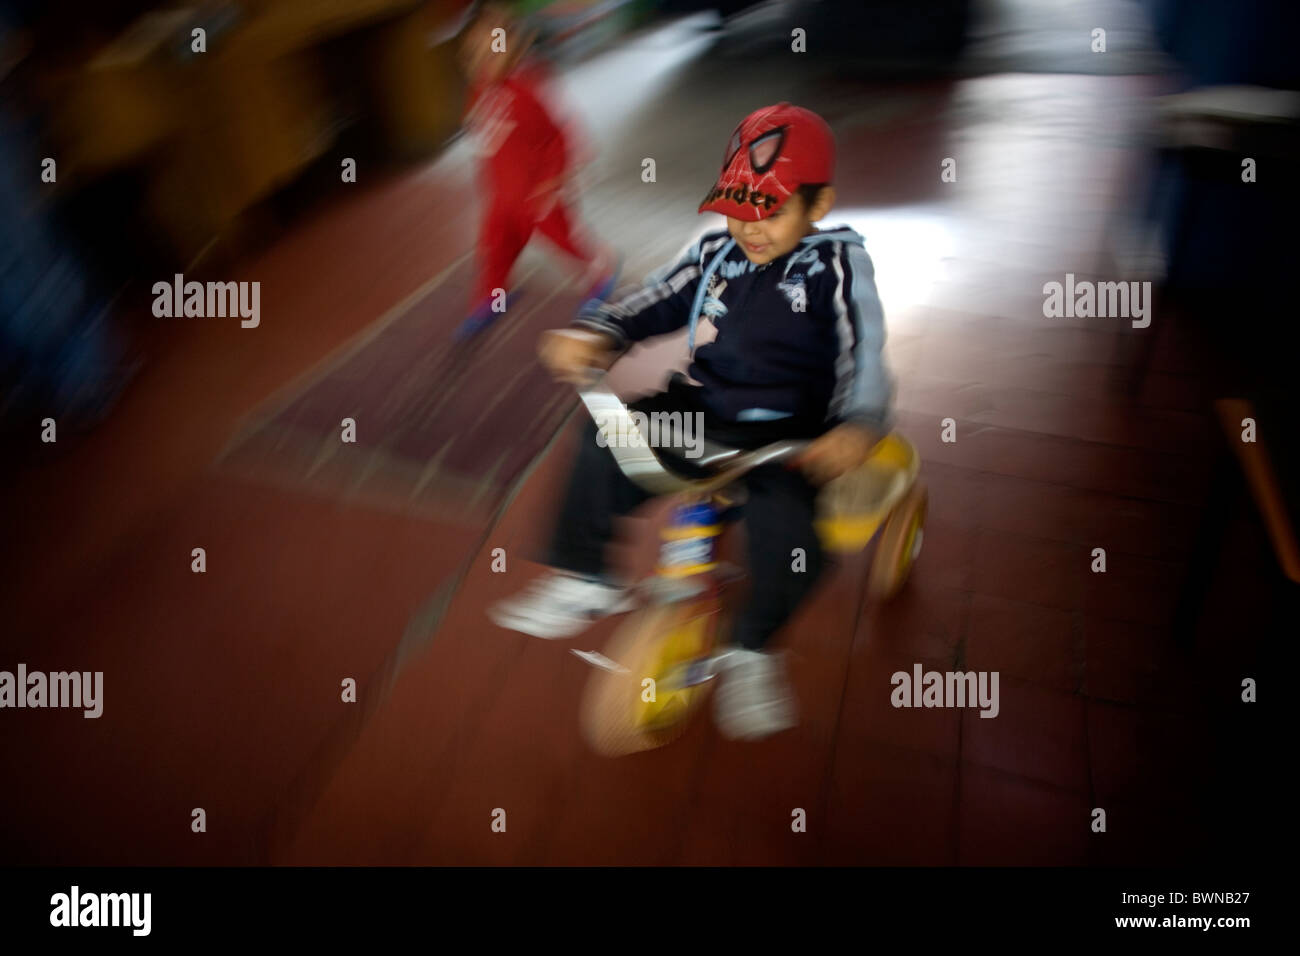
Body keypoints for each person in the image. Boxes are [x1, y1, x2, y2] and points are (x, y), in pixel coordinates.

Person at [490, 103, 894, 741]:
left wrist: (859, 423)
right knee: (606, 432)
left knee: (794, 544)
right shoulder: (713, 253)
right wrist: (599, 332)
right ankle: (585, 574)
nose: (750, 227)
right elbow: (654, 298)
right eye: (737, 207)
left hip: (785, 441)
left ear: (818, 206)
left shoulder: (835, 268)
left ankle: (753, 648)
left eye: (772, 209)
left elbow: (863, 350)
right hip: (702, 412)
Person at [454, 1, 617, 340]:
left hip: (537, 193)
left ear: (513, 45)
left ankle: (599, 273)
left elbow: (558, 135)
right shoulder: (480, 89)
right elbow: (481, 129)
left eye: (495, 46)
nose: (487, 57)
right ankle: (493, 298)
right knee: (495, 248)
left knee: (564, 240)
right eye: (477, 51)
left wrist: (553, 180)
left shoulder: (526, 87)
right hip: (501, 195)